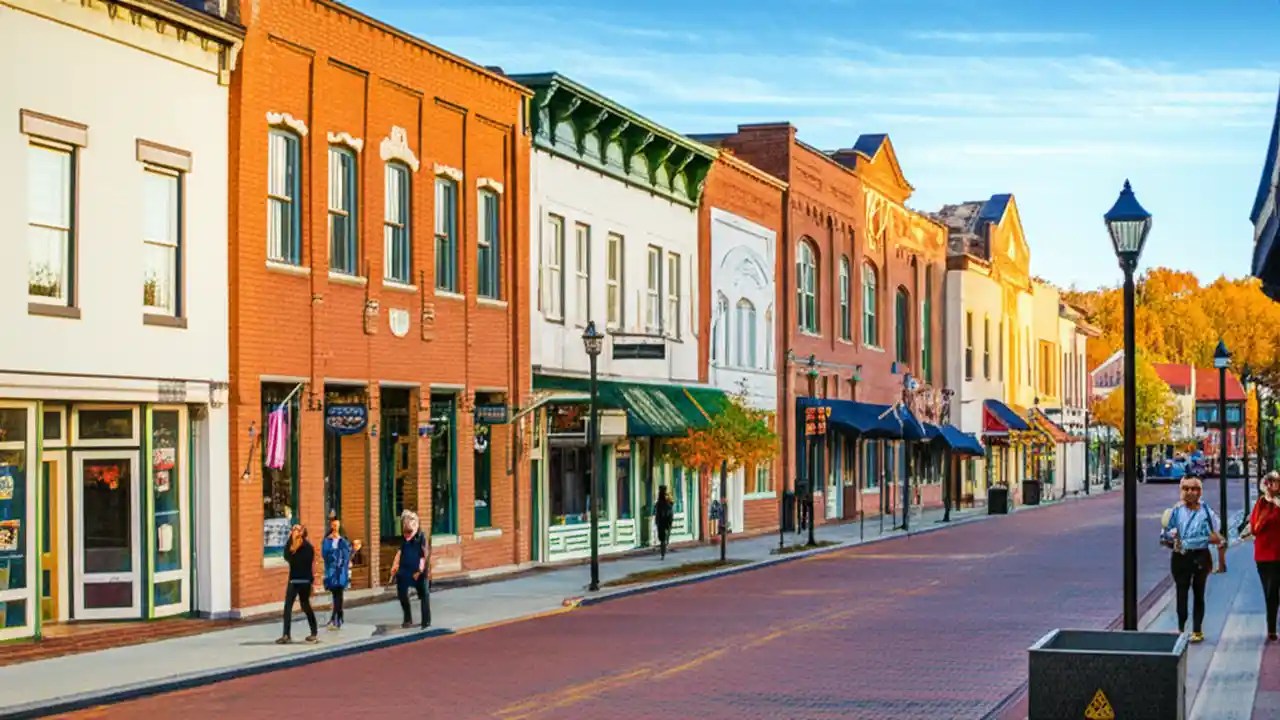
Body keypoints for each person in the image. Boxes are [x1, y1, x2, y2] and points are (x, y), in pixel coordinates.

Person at [1160, 477, 1223, 643]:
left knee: (1199, 592)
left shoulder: (1207, 512)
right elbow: (1164, 534)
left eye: (1193, 489)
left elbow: (1216, 531)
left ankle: (1197, 629)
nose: (1189, 492)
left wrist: (1210, 538)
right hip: (1181, 556)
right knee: (1181, 592)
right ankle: (1181, 628)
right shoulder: (1175, 511)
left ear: (1200, 492)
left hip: (1200, 555)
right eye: (1185, 489)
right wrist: (1171, 538)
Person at [1249, 471, 1280, 641]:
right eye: (1268, 482)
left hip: (1278, 554)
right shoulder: (1261, 503)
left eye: (1274, 482)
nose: (1271, 486)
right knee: (1270, 592)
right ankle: (1271, 626)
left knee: (1274, 590)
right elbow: (1255, 529)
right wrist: (1268, 510)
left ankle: (1272, 628)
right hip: (1264, 555)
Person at [389, 509, 430, 629]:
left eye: (409, 532)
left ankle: (425, 620)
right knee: (402, 592)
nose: (406, 535)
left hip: (419, 571)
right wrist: (394, 566)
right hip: (405, 569)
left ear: (416, 527)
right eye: (404, 532)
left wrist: (420, 571)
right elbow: (399, 552)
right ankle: (407, 618)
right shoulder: (404, 539)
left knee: (424, 595)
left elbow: (424, 556)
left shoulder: (422, 538)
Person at [278, 524, 318, 644]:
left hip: (304, 580)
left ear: (301, 532)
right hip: (293, 580)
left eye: (296, 529)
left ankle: (314, 632)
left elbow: (303, 562)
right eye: (293, 529)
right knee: (287, 607)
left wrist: (295, 549)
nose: (293, 531)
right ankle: (286, 634)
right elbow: (286, 557)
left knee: (305, 606)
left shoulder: (307, 547)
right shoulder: (290, 545)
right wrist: (292, 545)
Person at [321, 517, 355, 630]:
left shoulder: (343, 541)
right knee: (336, 595)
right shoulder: (327, 541)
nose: (335, 527)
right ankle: (338, 617)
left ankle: (336, 618)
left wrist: (352, 551)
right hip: (332, 572)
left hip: (341, 573)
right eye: (334, 525)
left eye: (337, 525)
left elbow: (347, 554)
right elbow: (325, 555)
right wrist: (335, 553)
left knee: (338, 595)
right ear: (331, 526)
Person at [655, 486, 674, 560]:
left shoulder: (660, 501)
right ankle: (663, 552)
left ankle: (663, 552)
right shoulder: (665, 500)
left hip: (662, 522)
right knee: (664, 538)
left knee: (662, 538)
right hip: (665, 521)